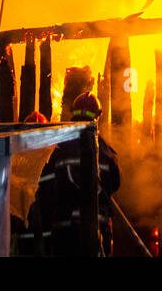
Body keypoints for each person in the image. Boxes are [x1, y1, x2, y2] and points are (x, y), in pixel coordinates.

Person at [32, 93, 120, 255]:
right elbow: (115, 184)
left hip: (65, 226)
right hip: (97, 227)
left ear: (73, 112)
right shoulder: (107, 151)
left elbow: (46, 186)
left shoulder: (58, 146)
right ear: (98, 116)